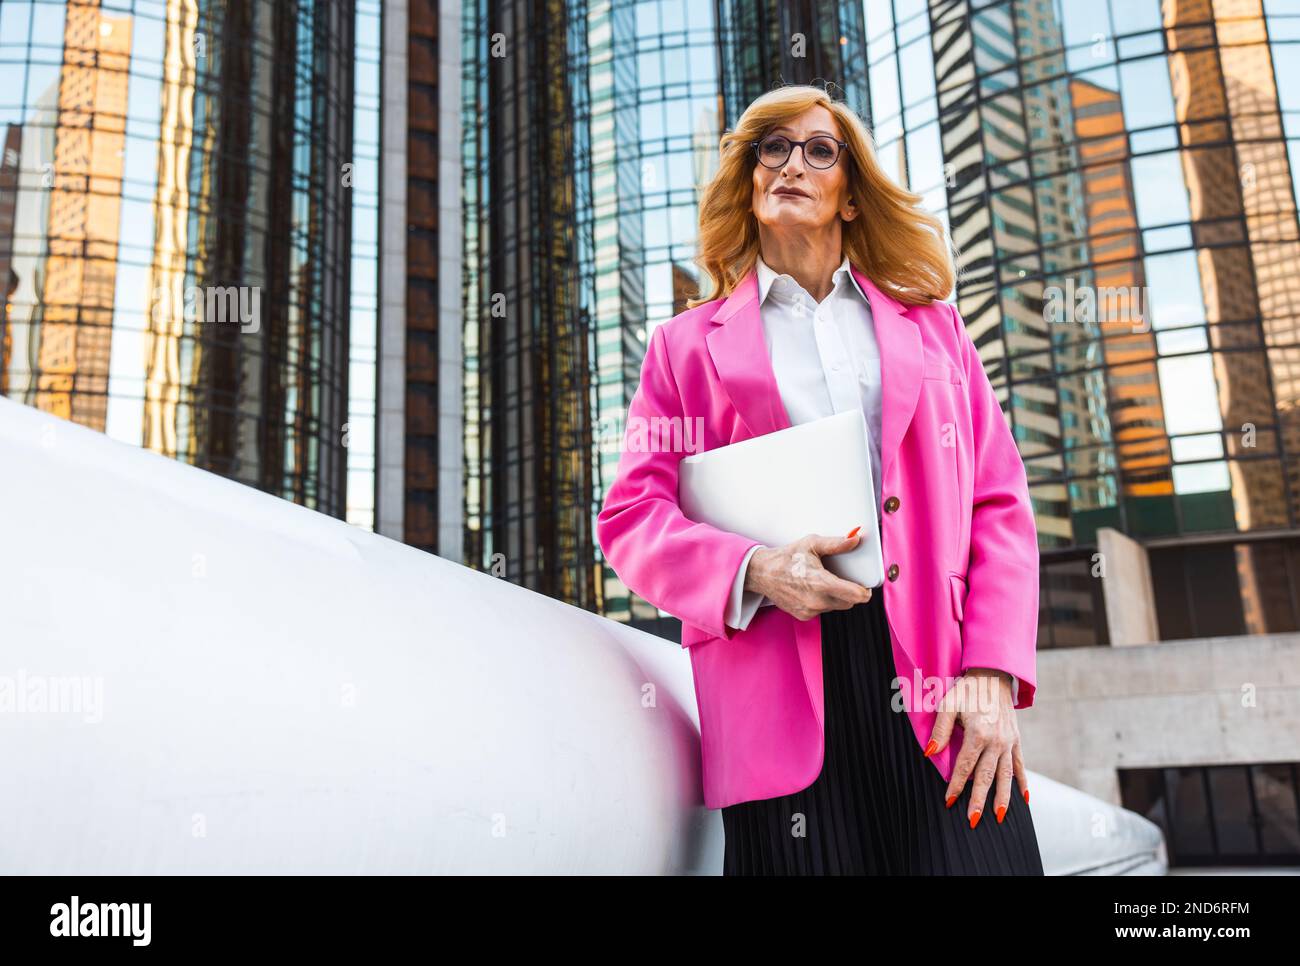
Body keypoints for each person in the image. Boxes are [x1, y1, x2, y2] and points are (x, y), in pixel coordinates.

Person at [596, 84, 1044, 875]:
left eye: (818, 150)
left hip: (942, 696)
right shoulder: (684, 346)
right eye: (772, 148)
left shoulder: (933, 326)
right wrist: (756, 570)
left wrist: (993, 670)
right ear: (750, 180)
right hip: (776, 699)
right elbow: (631, 516)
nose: (791, 164)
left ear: (850, 195)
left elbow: (999, 502)